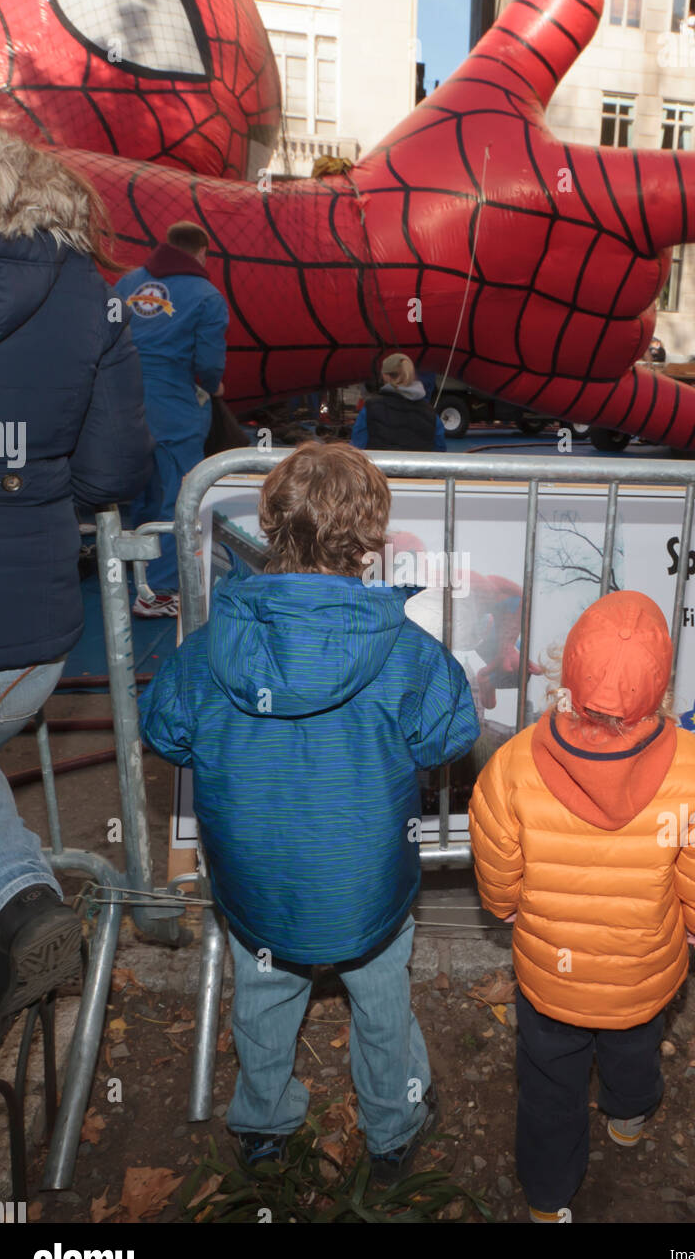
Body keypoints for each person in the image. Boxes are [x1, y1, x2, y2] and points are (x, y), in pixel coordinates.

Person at [138, 441, 479, 1179]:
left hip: (257, 888)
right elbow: (450, 734)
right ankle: (394, 1125)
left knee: (263, 995)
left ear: (269, 522)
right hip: (368, 888)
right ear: (369, 539)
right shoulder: (405, 653)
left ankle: (263, 1126)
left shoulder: (206, 650)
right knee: (384, 999)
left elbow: (163, 730)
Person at [468, 591, 695, 1223]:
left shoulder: (510, 767)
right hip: (640, 972)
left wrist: (505, 904)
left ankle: (547, 1197)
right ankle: (626, 1118)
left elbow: (493, 856)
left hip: (550, 976)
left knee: (548, 1082)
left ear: (565, 673)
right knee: (634, 1048)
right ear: (662, 685)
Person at [0, 126, 153, 1019]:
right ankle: (18, 904)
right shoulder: (92, 297)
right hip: (28, 647)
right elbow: (112, 473)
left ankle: (16, 903)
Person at [115, 221, 229, 617]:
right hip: (172, 404)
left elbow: (103, 336)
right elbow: (209, 362)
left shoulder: (127, 282)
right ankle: (159, 591)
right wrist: (213, 386)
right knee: (179, 494)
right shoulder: (207, 295)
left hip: (120, 400)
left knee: (141, 492)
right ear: (202, 252)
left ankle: (141, 580)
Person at [350, 353, 447, 451]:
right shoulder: (431, 414)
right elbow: (440, 451)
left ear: (385, 376)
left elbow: (357, 448)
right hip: (417, 466)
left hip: (379, 466)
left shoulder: (370, 408)